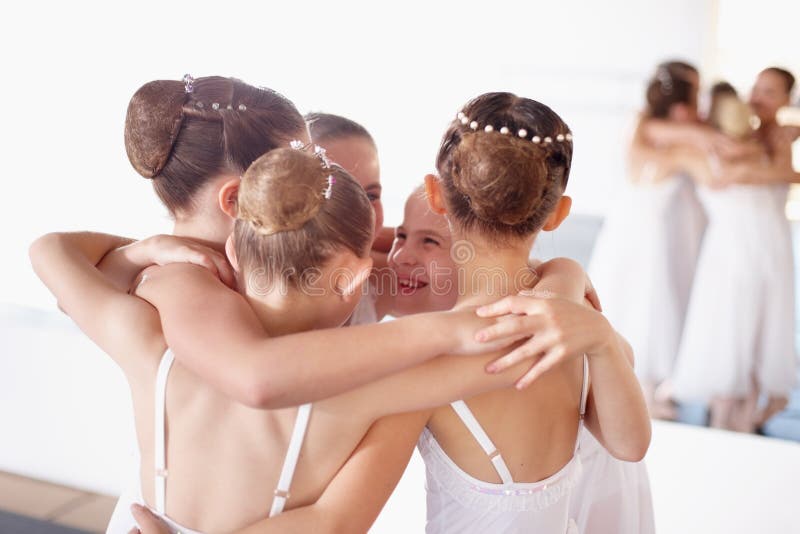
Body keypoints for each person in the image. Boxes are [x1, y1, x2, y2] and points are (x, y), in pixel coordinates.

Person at [28, 76, 550, 532]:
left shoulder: (151, 319)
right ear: (238, 198)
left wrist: (558, 275)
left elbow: (54, 257)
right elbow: (260, 381)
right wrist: (489, 319)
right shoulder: (187, 289)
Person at [131, 92, 650, 533]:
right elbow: (631, 446)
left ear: (435, 195)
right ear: (558, 213)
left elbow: (333, 521)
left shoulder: (423, 371)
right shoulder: (581, 326)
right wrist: (570, 282)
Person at [671, 67, 798, 431]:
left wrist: (744, 171)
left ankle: (747, 415)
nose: (758, 97)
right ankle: (725, 414)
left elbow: (786, 174)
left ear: (786, 99)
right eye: (756, 88)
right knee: (728, 325)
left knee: (763, 328)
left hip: (771, 248)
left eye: (770, 92)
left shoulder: (779, 135)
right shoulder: (729, 135)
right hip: (731, 250)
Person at [589, 62, 708, 418]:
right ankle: (643, 386)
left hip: (633, 223)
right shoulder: (678, 134)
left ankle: (642, 383)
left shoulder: (643, 125)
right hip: (653, 230)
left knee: (638, 296)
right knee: (651, 297)